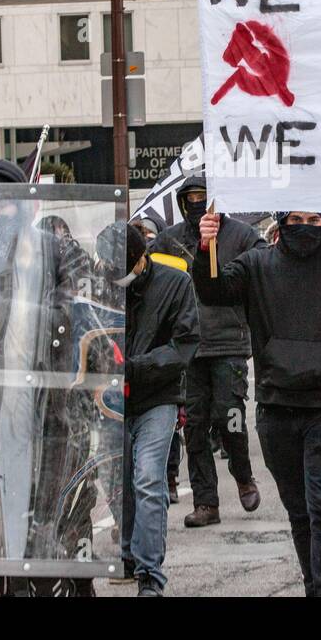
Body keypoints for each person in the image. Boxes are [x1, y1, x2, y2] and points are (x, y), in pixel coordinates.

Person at [194, 209, 321, 596]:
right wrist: (206, 246)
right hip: (276, 405)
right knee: (299, 510)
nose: (304, 228)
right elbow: (214, 291)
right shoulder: (257, 263)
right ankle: (314, 585)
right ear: (282, 220)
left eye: (314, 221)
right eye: (296, 218)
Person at [156, 174, 264, 527]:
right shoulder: (170, 240)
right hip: (187, 347)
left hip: (229, 341)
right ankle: (206, 502)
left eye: (205, 196)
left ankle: (243, 474)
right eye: (192, 197)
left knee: (230, 416)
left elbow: (263, 267)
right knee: (195, 425)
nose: (198, 203)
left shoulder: (242, 236)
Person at [118, 223, 200, 595]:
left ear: (141, 259)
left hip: (157, 397)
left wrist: (138, 366)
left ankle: (150, 573)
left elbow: (185, 344)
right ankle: (128, 555)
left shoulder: (175, 283)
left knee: (149, 479)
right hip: (112, 399)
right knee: (120, 484)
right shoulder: (100, 281)